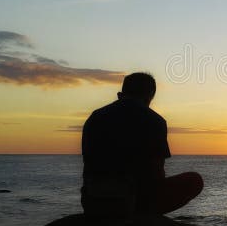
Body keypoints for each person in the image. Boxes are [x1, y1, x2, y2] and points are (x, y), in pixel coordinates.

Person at [81, 72, 203, 218]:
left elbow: (89, 163)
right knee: (195, 180)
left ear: (122, 92)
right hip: (132, 203)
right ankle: (145, 218)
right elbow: (156, 171)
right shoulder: (154, 121)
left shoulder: (95, 117)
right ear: (150, 95)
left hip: (93, 202)